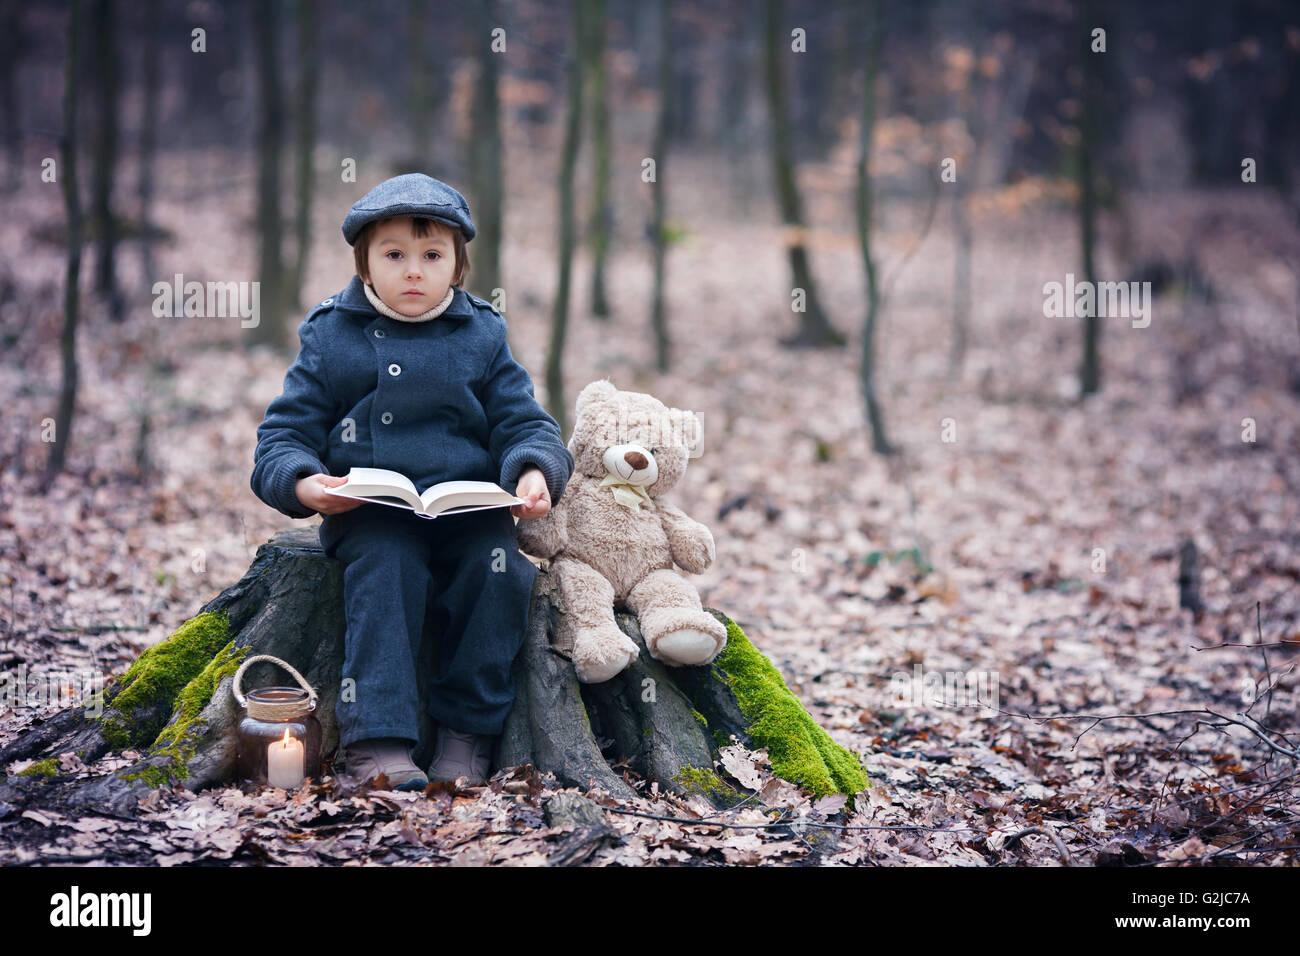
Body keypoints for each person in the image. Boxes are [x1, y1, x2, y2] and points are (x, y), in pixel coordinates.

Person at [250, 173, 574, 791]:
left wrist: (533, 470)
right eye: (394, 255)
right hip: (372, 510)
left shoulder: (480, 332)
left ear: (457, 267)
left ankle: (467, 732)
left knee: (498, 570)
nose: (413, 272)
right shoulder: (332, 334)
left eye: (431, 256)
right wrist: (304, 485)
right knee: (386, 568)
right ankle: (378, 738)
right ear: (365, 266)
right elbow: (283, 435)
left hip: (468, 508)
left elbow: (524, 421)